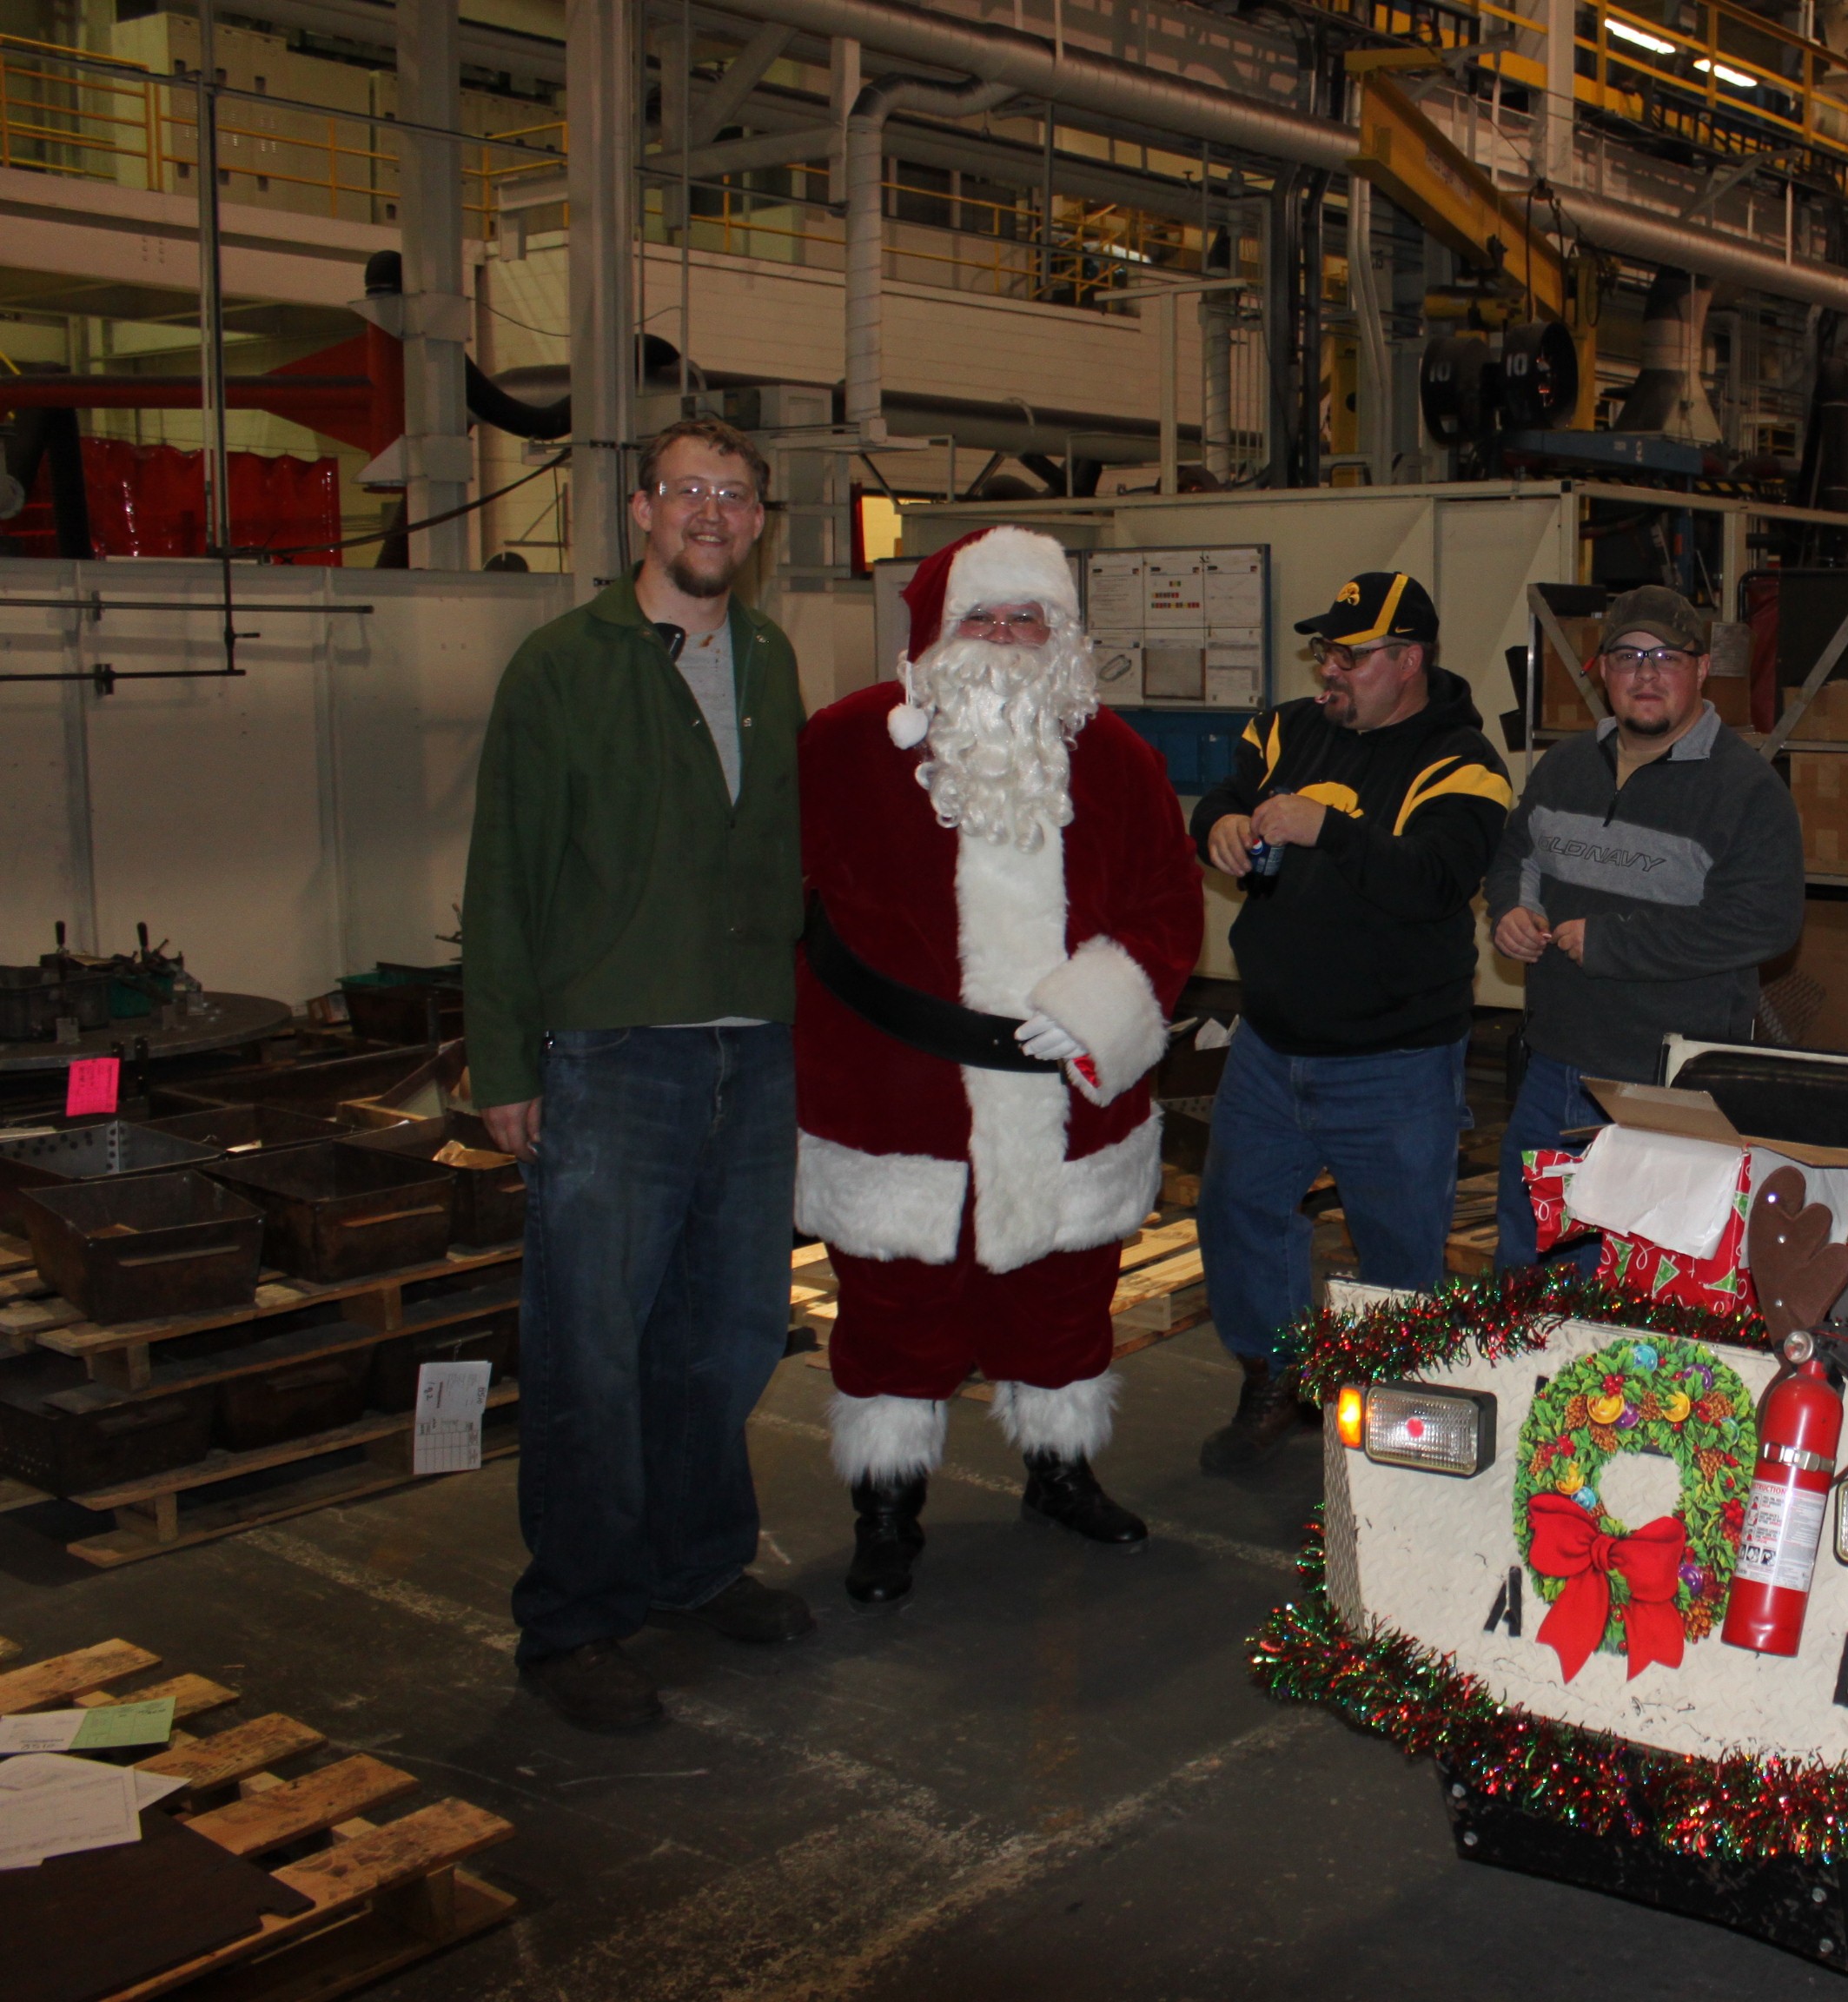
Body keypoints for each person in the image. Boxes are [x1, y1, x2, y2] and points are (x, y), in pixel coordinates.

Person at [463, 418, 811, 1734]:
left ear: (760, 522)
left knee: (724, 1332)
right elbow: (502, 874)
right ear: (638, 513)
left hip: (750, 1046)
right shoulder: (564, 667)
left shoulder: (772, 658)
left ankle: (693, 1562)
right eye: (687, 492)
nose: (711, 514)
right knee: (590, 1350)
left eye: (735, 494)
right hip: (611, 1051)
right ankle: (575, 1622)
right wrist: (508, 1056)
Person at [795, 527, 1202, 1601]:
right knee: (895, 1309)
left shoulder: (1117, 756)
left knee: (1066, 1299)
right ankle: (888, 1506)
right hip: (900, 1101)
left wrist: (1110, 1005)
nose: (1010, 639)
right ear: (935, 634)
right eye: (986, 617)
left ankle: (1060, 1472)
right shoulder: (842, 747)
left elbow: (1170, 906)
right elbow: (776, 906)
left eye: (1033, 619)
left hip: (1071, 1104)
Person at [1189, 572, 1513, 1472]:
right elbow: (1226, 794)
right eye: (1326, 652)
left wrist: (1325, 830)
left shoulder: (1462, 765)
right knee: (1240, 1211)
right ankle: (1277, 1379)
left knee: (1399, 1250)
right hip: (1270, 1043)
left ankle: (1403, 1416)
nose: (1331, 671)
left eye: (1353, 656)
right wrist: (1216, 826)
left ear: (1408, 661)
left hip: (1395, 1059)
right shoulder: (1286, 729)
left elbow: (1437, 884)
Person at [1485, 585, 1805, 1268]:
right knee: (1528, 1265)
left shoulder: (1745, 790)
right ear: (1602, 672)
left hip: (1663, 1088)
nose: (1647, 673)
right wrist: (1512, 908)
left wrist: (1611, 943)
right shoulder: (1565, 767)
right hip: (1553, 1068)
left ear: (1698, 669)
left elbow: (1765, 923)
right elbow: (1518, 852)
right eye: (1628, 656)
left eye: (1666, 656)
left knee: (1639, 1284)